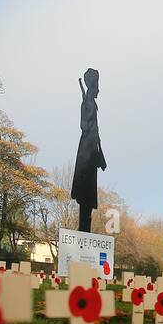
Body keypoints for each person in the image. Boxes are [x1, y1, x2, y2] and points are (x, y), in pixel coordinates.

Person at [71, 68, 106, 232]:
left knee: (89, 198)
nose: (99, 89)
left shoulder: (90, 102)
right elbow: (85, 126)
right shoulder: (88, 102)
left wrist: (101, 157)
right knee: (85, 195)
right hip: (86, 153)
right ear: (93, 85)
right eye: (97, 85)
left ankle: (85, 229)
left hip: (91, 152)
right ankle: (83, 230)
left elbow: (96, 134)